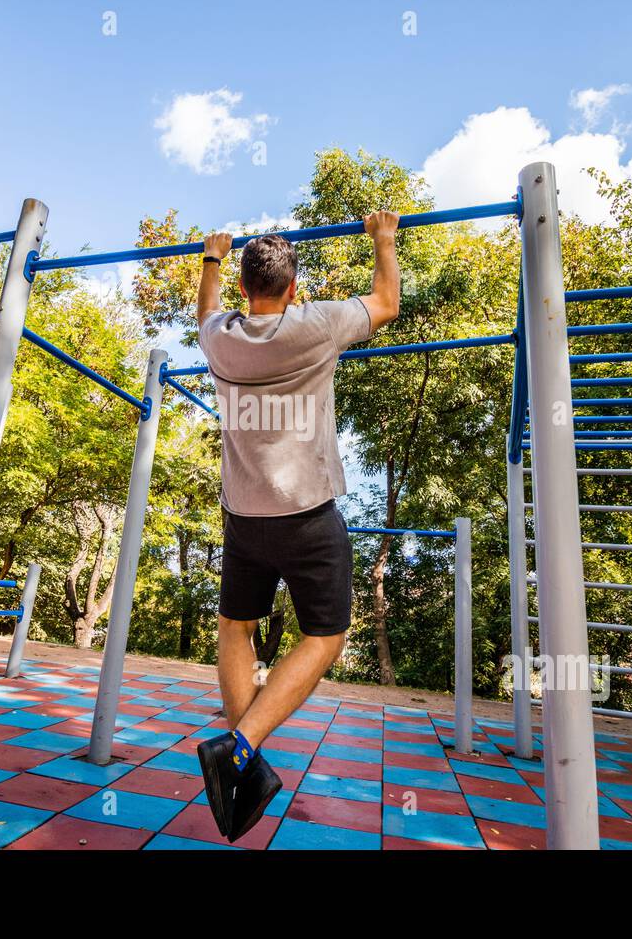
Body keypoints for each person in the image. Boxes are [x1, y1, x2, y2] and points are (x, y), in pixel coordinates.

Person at [193, 211, 401, 841]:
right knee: (326, 635)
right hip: (307, 517)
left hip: (242, 517)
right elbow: (388, 301)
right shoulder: (315, 324)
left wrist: (210, 257)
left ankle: (241, 756)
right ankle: (239, 748)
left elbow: (204, 308)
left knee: (236, 624)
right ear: (291, 289)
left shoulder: (220, 336)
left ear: (246, 290)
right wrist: (383, 238)